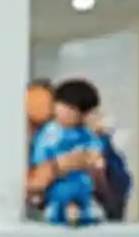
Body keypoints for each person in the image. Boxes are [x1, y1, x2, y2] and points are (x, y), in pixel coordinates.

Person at [28, 79, 107, 226]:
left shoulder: (86, 133)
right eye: (67, 107)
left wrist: (95, 158)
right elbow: (40, 165)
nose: (69, 113)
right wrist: (60, 164)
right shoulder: (48, 133)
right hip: (58, 185)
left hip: (82, 181)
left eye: (75, 110)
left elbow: (95, 154)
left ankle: (82, 212)